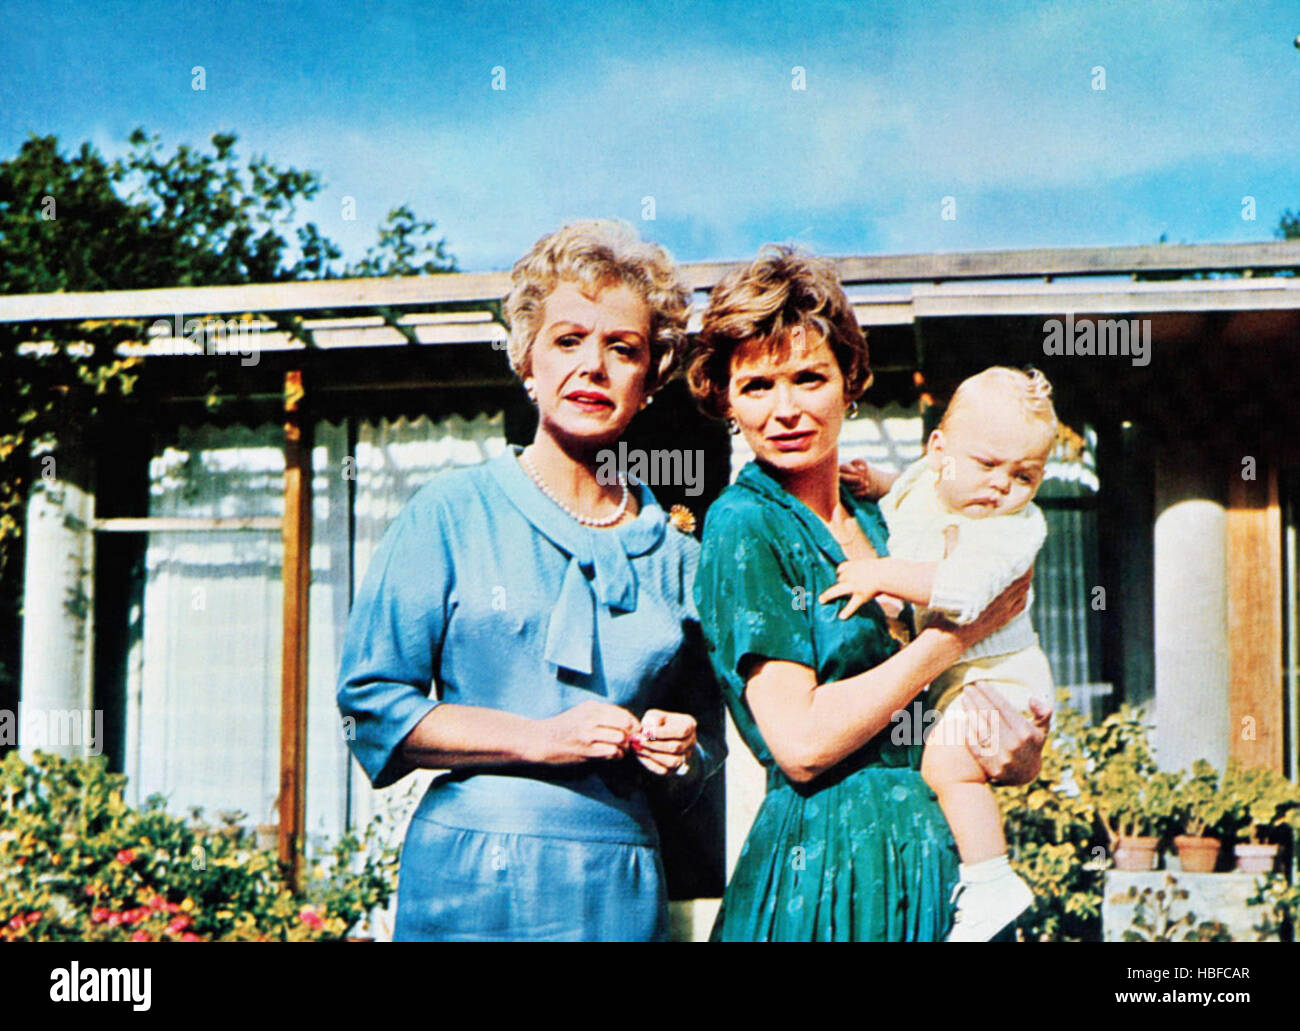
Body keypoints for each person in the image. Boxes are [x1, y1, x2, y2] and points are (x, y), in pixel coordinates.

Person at [336, 220, 723, 941]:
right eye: (568, 340)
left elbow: (708, 751)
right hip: (468, 879)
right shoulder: (449, 512)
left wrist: (682, 750)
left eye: (623, 348)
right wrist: (538, 739)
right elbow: (372, 704)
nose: (593, 366)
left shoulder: (678, 553)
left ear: (649, 381)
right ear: (526, 360)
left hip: (619, 882)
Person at [685, 245, 1049, 941]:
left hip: (935, 859)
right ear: (726, 399)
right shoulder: (745, 524)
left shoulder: (890, 519)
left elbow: (960, 700)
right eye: (757, 386)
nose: (787, 409)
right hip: (825, 868)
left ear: (849, 380)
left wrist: (1016, 751)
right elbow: (801, 743)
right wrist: (954, 639)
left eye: (809, 377)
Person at [822, 365, 1058, 940]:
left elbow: (965, 590)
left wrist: (882, 574)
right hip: (962, 675)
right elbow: (907, 486)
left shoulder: (1013, 529)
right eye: (986, 464)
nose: (1001, 487)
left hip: (1000, 679)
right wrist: (876, 481)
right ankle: (980, 880)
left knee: (946, 766)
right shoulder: (929, 485)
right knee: (942, 765)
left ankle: (991, 882)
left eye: (1023, 475)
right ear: (938, 451)